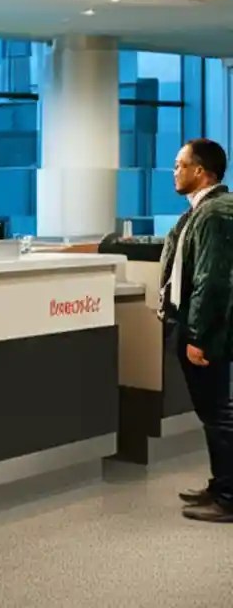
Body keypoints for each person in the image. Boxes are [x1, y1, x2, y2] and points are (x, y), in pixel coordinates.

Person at [158, 137, 233, 523]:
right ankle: (222, 483)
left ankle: (228, 496)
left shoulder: (216, 212)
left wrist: (197, 336)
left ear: (200, 171)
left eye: (179, 164)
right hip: (188, 323)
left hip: (205, 331)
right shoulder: (198, 211)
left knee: (219, 413)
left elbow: (213, 280)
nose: (175, 171)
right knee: (213, 412)